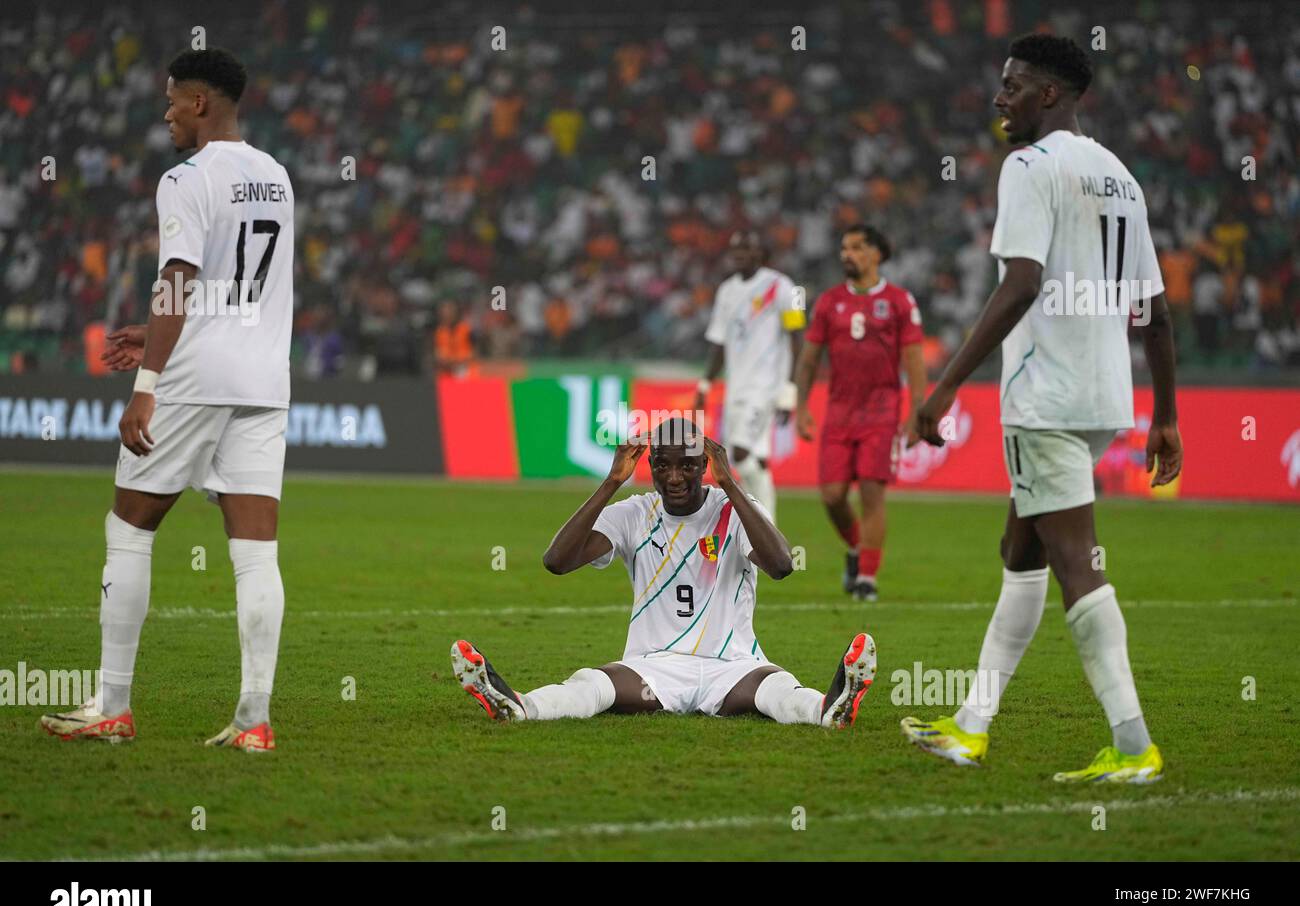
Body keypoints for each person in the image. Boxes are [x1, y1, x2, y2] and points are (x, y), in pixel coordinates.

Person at [900, 34, 1182, 784]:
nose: (1001, 97)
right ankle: (970, 727)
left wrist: (945, 384)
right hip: (1101, 396)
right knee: (1021, 555)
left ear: (1049, 95)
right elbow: (1154, 309)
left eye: (1015, 85)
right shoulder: (1121, 177)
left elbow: (1019, 283)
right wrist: (1166, 415)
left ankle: (1132, 745)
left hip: (1046, 396)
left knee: (1075, 563)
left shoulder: (1028, 167)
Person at [40, 48, 295, 752]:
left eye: (173, 100)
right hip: (263, 380)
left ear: (201, 103)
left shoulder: (185, 177)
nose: (167, 114)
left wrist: (145, 386)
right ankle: (254, 719)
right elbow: (235, 288)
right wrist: (151, 333)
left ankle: (113, 707)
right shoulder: (275, 175)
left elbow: (180, 279)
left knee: (130, 529)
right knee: (255, 553)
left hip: (196, 376)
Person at [451, 418, 876, 729]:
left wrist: (731, 486)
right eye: (663, 466)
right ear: (650, 464)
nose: (674, 478)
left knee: (779, 690)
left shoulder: (734, 510)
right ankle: (521, 707)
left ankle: (828, 710)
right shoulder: (634, 513)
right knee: (591, 685)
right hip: (652, 670)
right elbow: (556, 562)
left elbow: (782, 566)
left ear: (705, 464)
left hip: (733, 667)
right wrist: (610, 483)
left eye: (688, 466)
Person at [793, 225, 926, 601]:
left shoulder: (900, 301)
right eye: (843, 248)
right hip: (838, 412)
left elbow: (914, 358)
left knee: (872, 492)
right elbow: (808, 360)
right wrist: (801, 406)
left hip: (882, 411)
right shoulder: (829, 302)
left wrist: (917, 411)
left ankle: (867, 578)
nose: (846, 255)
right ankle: (857, 547)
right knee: (832, 496)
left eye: (855, 248)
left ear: (876, 254)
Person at [694, 231, 804, 522]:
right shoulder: (727, 291)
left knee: (740, 453)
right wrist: (705, 383)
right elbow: (718, 341)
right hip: (736, 387)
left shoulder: (781, 286)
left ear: (761, 253)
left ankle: (766, 525)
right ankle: (762, 527)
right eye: (736, 249)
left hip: (767, 386)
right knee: (754, 459)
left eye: (747, 248)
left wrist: (790, 390)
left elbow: (797, 336)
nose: (740, 254)